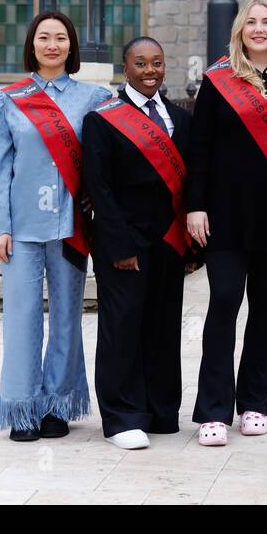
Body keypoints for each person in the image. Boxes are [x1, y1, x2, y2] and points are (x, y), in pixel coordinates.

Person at [0, 10, 111, 441]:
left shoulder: (94, 98)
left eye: (60, 38)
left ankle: (57, 404)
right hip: (21, 226)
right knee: (22, 317)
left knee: (68, 316)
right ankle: (22, 407)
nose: (52, 45)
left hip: (72, 225)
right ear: (31, 45)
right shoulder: (9, 100)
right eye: (43, 38)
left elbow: (106, 158)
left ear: (72, 46)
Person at [187, 0, 267, 447]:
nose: (259, 29)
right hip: (223, 212)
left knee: (265, 306)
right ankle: (213, 410)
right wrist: (195, 205)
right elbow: (199, 147)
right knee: (224, 300)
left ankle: (255, 402)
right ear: (240, 29)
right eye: (251, 22)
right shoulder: (218, 80)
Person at [82, 36, 195, 450]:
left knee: (163, 326)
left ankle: (160, 411)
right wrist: (120, 246)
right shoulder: (103, 120)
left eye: (157, 63)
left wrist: (190, 243)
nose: (150, 71)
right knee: (122, 327)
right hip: (124, 240)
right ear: (125, 68)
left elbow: (189, 181)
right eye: (141, 63)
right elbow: (99, 188)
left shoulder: (179, 118)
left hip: (169, 239)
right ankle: (122, 417)